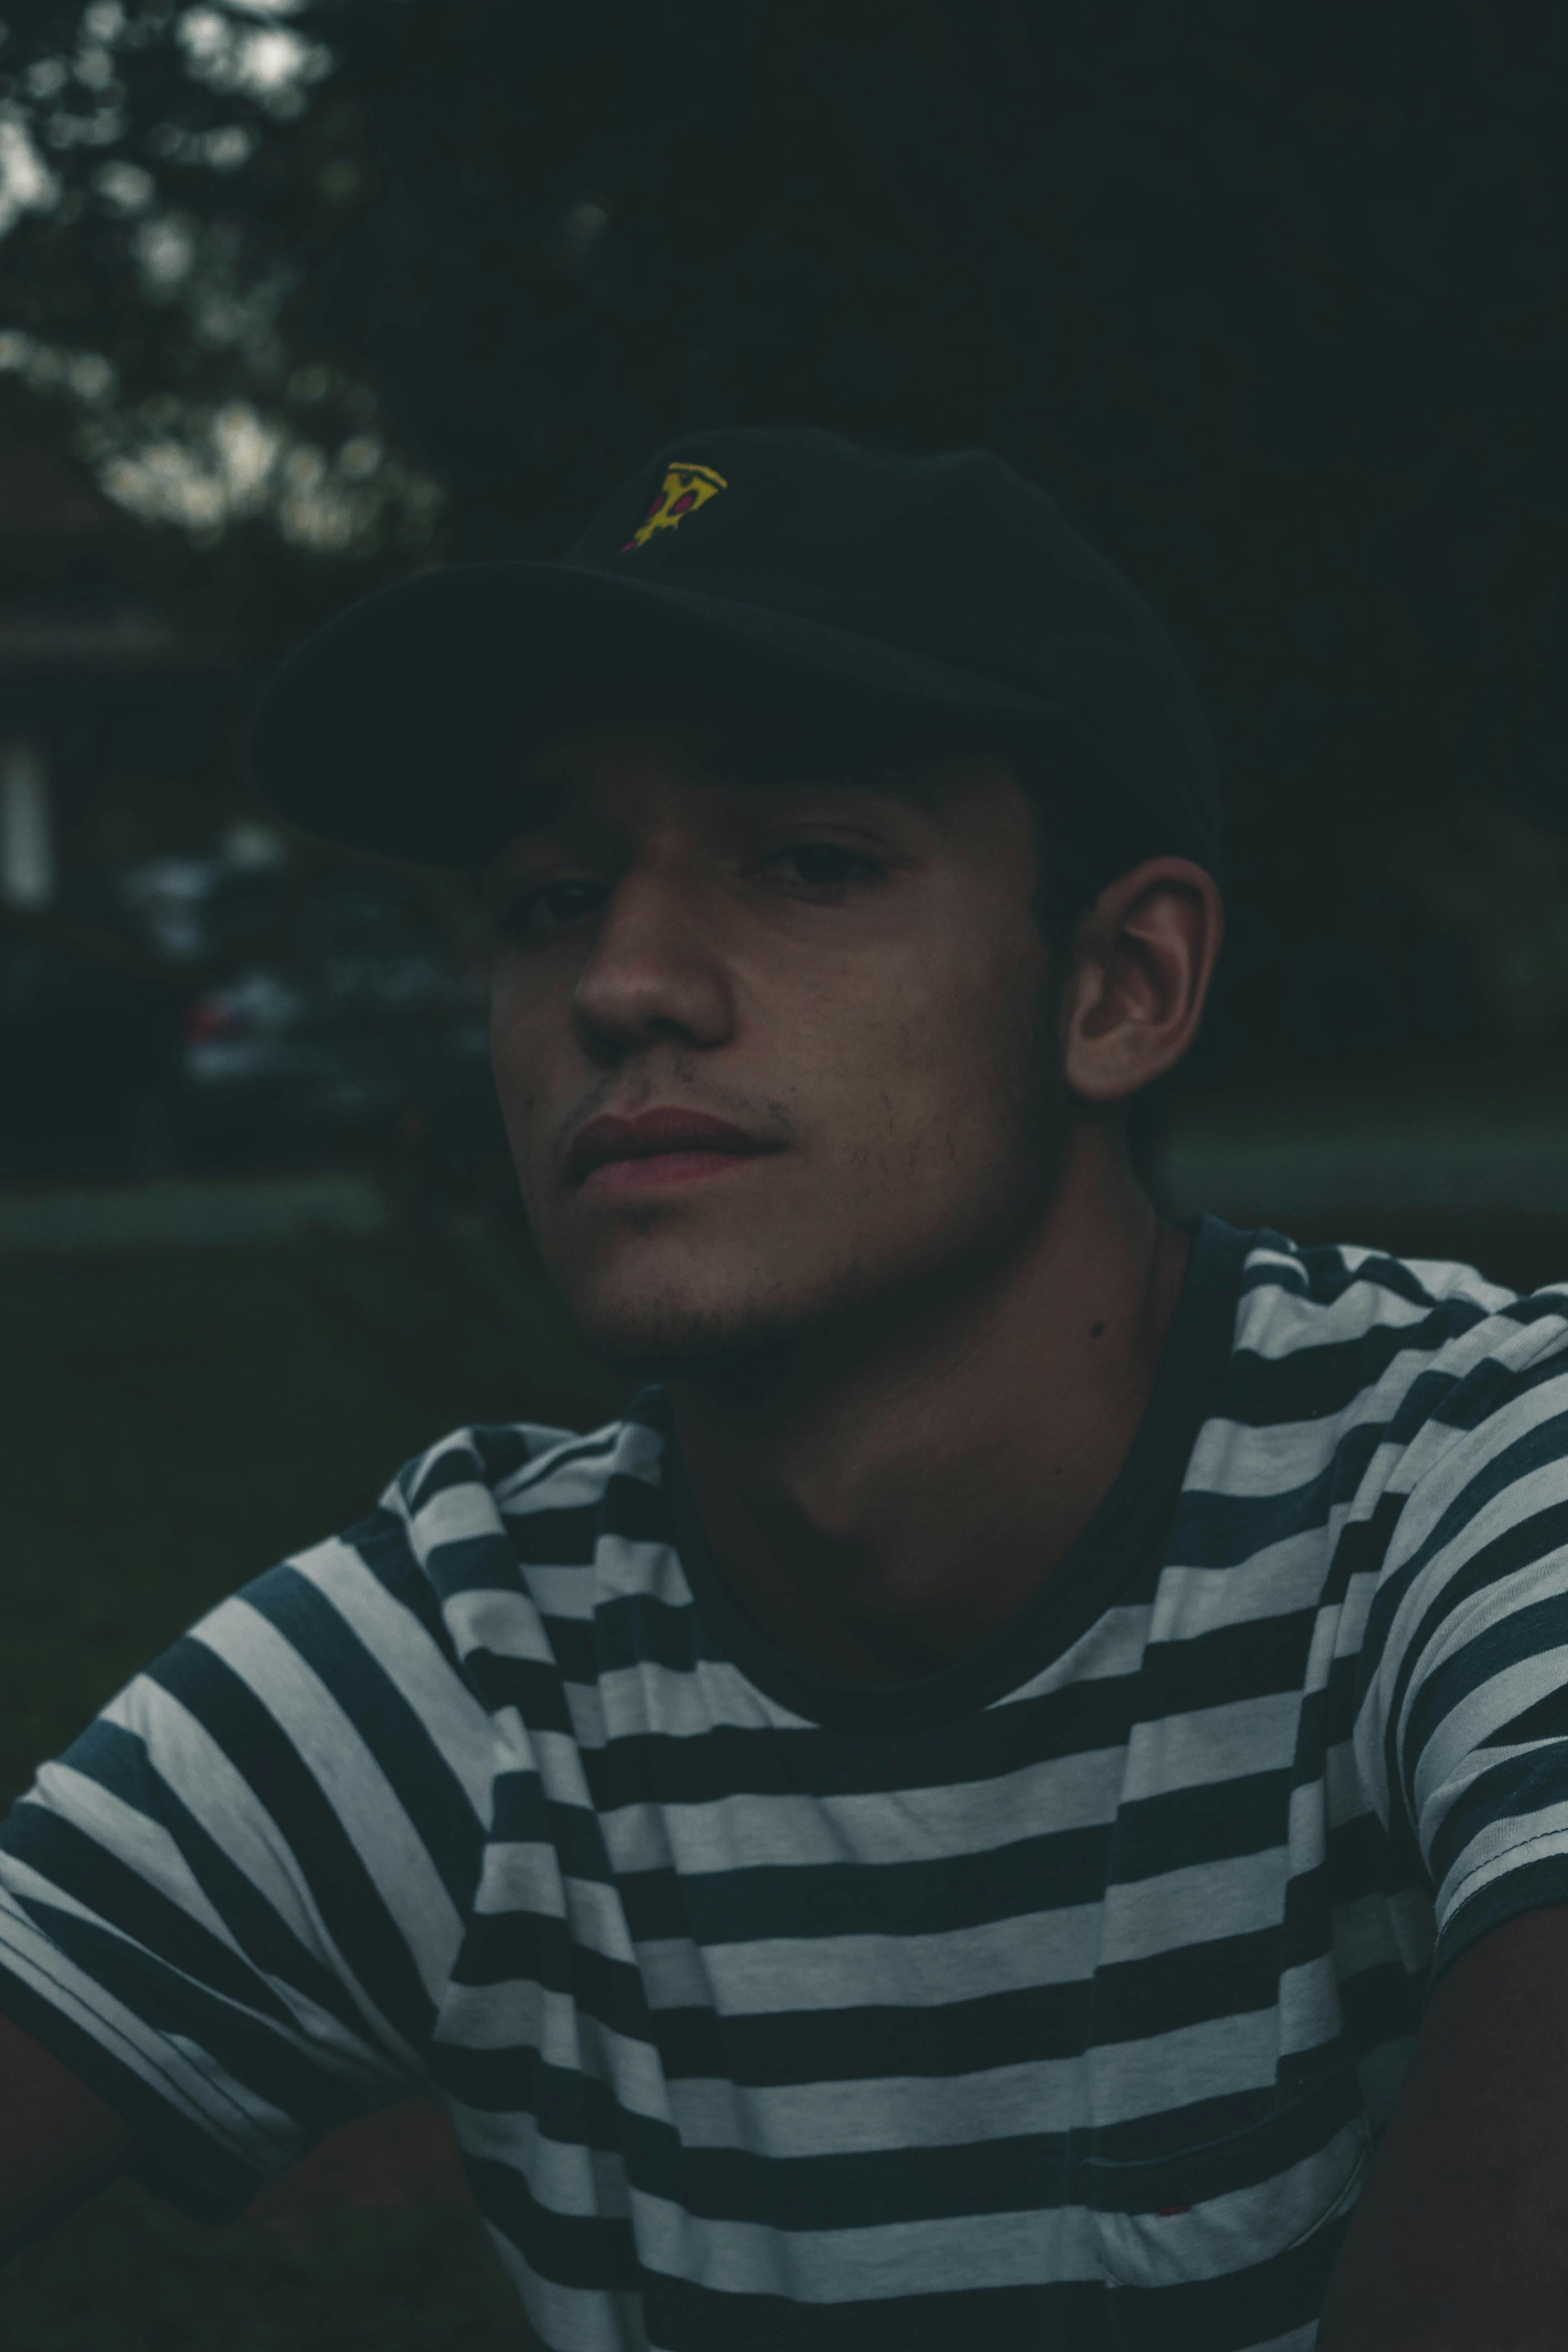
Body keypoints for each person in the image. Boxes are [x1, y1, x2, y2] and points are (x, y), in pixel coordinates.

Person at [0, 426, 1564, 2352]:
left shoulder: (1474, 1483)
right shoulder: (485, 1656)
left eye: (810, 860)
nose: (625, 983)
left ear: (1120, 986)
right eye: (550, 895)